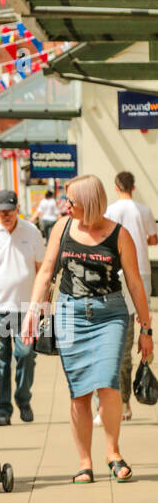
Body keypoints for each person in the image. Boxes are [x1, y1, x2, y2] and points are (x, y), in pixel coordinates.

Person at [23, 175, 153, 483]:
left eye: (71, 201)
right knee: (79, 391)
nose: (65, 206)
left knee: (108, 382)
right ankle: (84, 461)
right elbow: (46, 271)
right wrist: (33, 310)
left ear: (90, 202)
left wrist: (147, 330)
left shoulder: (118, 234)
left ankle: (113, 452)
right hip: (70, 314)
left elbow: (134, 283)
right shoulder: (62, 228)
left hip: (110, 315)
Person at [0, 189, 45, 425]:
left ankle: (23, 398)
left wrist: (43, 305)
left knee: (26, 356)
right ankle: (2, 409)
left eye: (9, 210)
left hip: (26, 308)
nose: (5, 215)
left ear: (17, 208)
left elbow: (42, 270)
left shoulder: (32, 232)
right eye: (1, 211)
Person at [104, 171, 156, 422]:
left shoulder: (111, 211)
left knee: (121, 340)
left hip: (119, 274)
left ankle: (122, 402)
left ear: (116, 187)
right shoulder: (144, 210)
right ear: (133, 187)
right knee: (141, 326)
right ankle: (146, 341)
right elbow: (153, 238)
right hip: (143, 272)